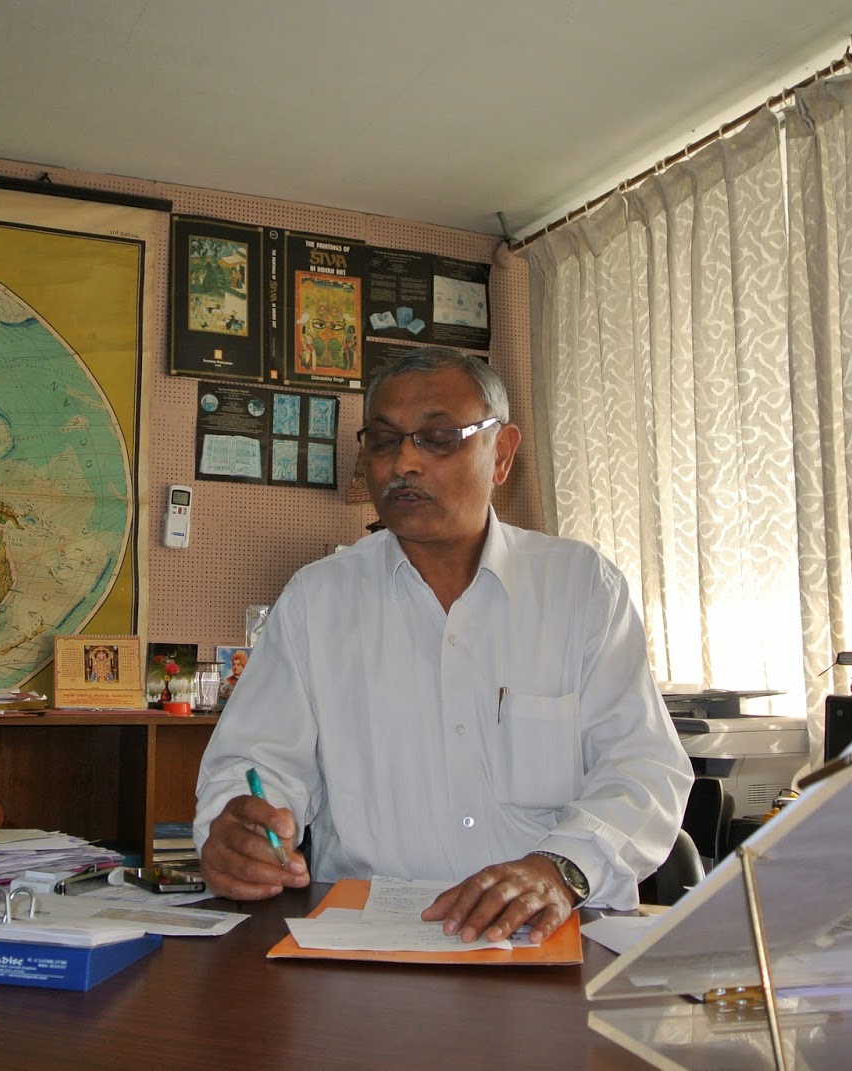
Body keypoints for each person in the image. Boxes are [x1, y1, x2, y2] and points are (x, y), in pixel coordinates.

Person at [194, 346, 692, 944]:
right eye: (383, 440)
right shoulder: (317, 600)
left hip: (545, 936)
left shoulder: (582, 588)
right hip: (366, 946)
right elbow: (257, 765)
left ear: (501, 454)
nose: (403, 461)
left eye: (437, 437)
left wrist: (558, 870)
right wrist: (237, 830)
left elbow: (644, 770)